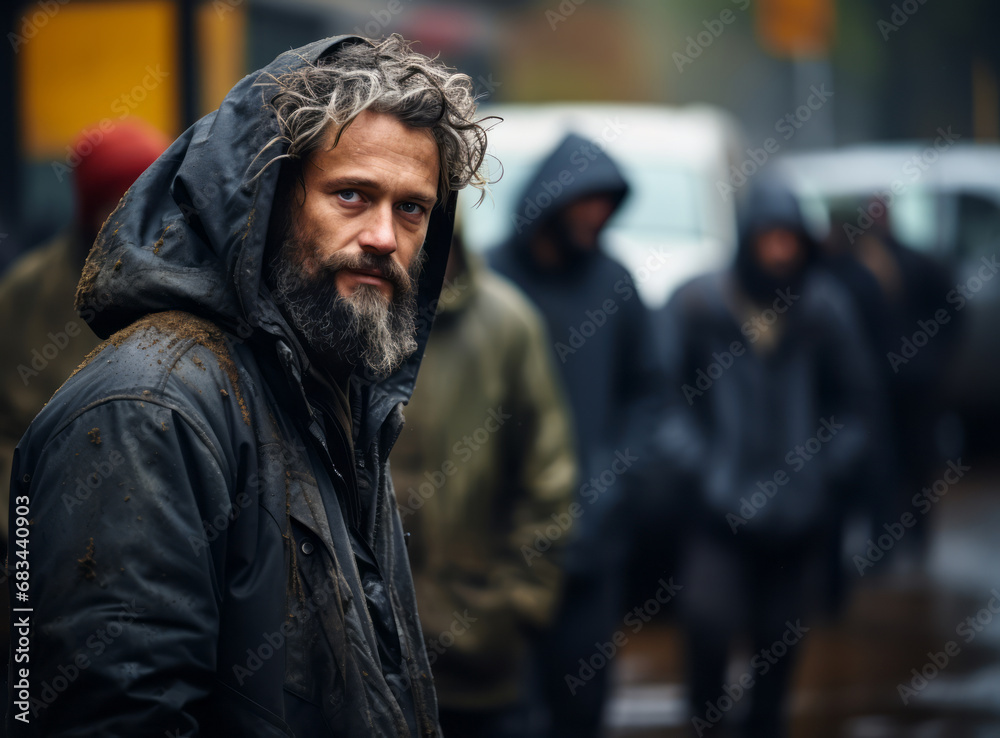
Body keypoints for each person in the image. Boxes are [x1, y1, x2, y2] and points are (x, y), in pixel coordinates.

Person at [7, 34, 488, 736]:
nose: (385, 235)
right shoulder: (149, 410)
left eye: (411, 208)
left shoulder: (330, 389)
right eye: (350, 195)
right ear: (266, 202)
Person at [658, 175, 875, 738]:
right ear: (748, 239)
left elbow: (856, 405)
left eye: (790, 240)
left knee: (779, 640)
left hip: (797, 514)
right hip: (717, 506)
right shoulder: (699, 303)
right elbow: (662, 401)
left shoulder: (826, 309)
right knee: (707, 625)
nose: (779, 252)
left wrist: (823, 470)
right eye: (768, 238)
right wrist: (702, 468)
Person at [488, 133, 662, 738]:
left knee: (582, 706)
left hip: (591, 538)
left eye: (606, 203)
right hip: (500, 544)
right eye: (585, 201)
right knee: (505, 707)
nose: (597, 215)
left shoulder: (615, 283)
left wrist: (614, 479)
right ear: (551, 200)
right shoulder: (492, 283)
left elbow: (650, 392)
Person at [390, 226, 577, 738]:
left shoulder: (507, 324)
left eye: (418, 210)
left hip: (482, 645)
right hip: (375, 654)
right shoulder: (358, 313)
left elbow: (549, 479)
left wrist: (518, 606)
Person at [0, 119, 169, 540]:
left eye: (148, 201)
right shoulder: (28, 294)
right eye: (115, 204)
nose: (133, 220)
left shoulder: (198, 281)